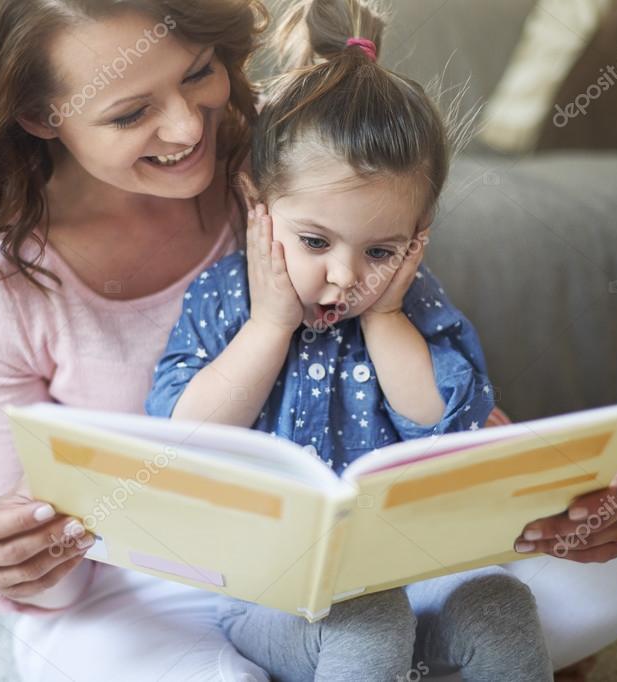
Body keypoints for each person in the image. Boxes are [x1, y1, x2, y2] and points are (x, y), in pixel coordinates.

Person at [0, 1, 617, 680]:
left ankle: (387, 652)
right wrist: (24, 559)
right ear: (38, 115)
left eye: (198, 72)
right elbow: (52, 577)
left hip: (379, 555)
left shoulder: (296, 153)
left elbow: (434, 401)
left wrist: (551, 500)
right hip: (158, 586)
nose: (187, 126)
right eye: (129, 112)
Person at [143, 3, 553, 678]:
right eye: (313, 242)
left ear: (418, 236)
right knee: (362, 612)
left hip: (406, 568)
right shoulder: (224, 299)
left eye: (381, 249)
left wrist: (387, 317)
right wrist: (271, 325)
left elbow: (441, 422)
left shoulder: (409, 306)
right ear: (255, 201)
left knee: (498, 601)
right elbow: (183, 439)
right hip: (260, 592)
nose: (344, 277)